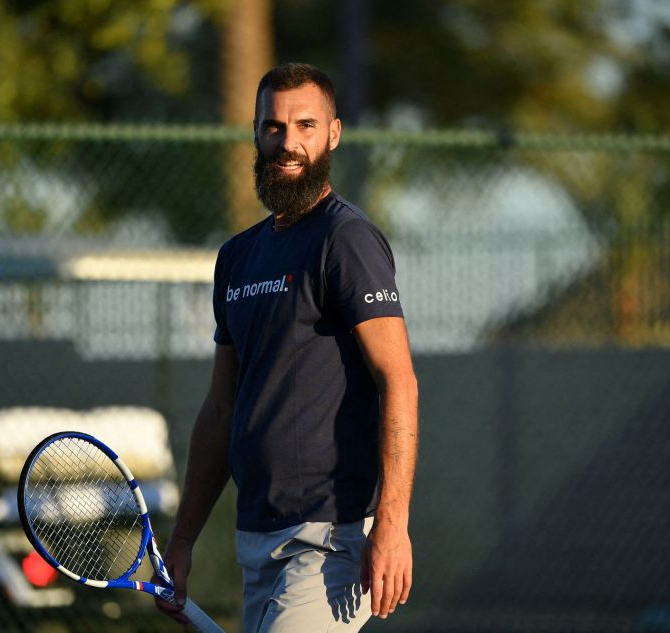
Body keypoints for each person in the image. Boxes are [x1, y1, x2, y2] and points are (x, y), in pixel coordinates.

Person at [157, 62, 418, 633]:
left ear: (334, 133)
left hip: (331, 542)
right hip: (256, 542)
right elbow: (221, 410)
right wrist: (182, 542)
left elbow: (398, 380)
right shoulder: (236, 258)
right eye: (273, 126)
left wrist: (393, 524)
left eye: (305, 125)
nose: (288, 142)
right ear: (256, 132)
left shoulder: (346, 239)